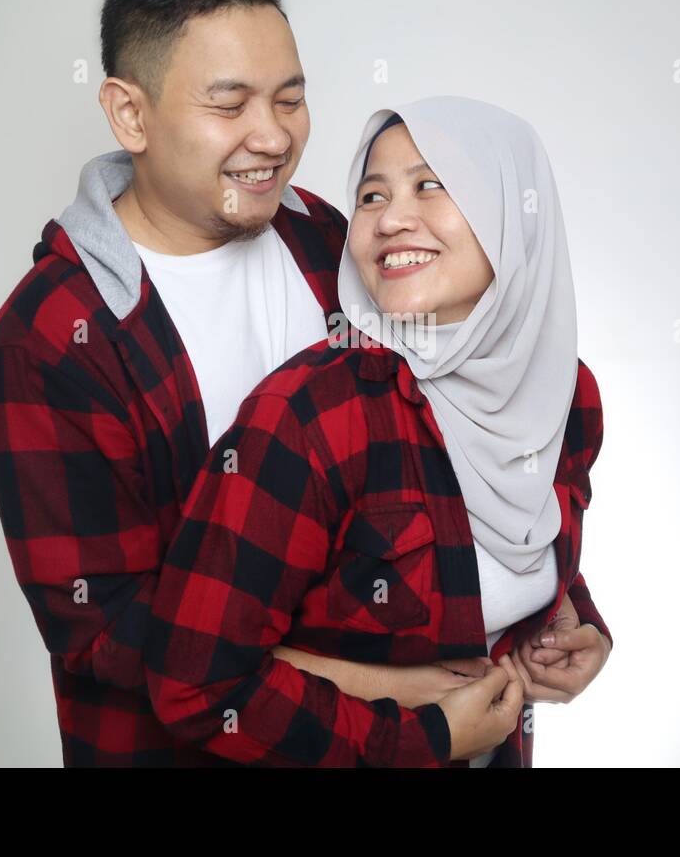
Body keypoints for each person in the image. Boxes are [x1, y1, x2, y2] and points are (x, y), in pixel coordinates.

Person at [0, 0, 488, 766]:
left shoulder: (332, 240)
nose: (273, 137)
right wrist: (368, 684)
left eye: (290, 99)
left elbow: (456, 430)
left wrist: (559, 602)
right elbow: (104, 627)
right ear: (129, 114)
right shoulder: (50, 342)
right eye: (230, 104)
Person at [142, 96, 613, 766]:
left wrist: (575, 622)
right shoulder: (316, 416)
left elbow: (516, 533)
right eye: (371, 194)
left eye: (431, 185)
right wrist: (426, 737)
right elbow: (196, 680)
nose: (391, 218)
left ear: (516, 217)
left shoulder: (566, 396)